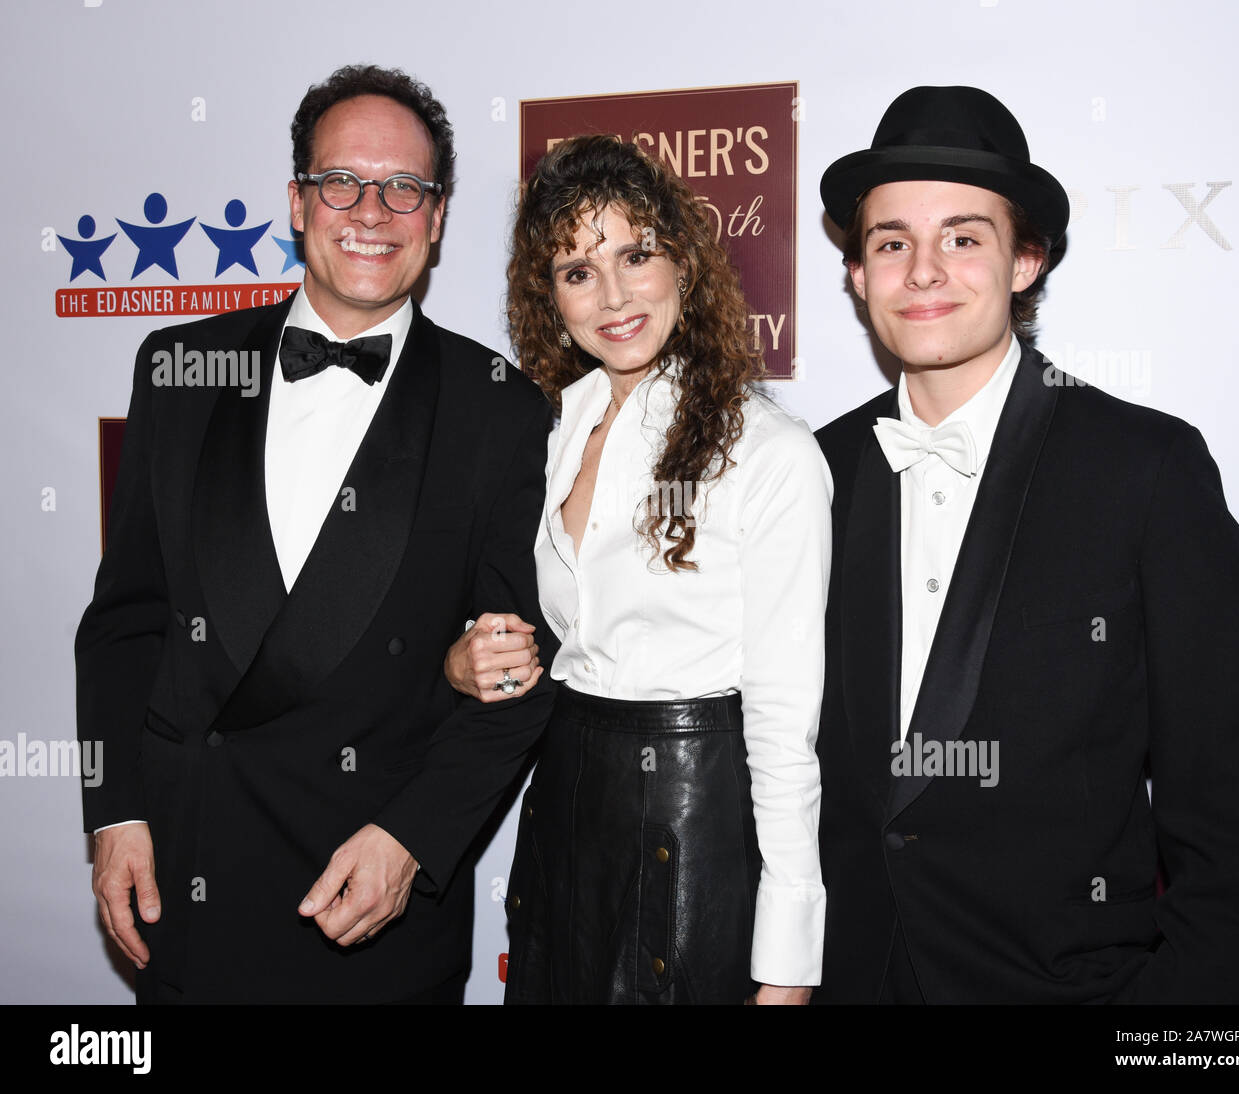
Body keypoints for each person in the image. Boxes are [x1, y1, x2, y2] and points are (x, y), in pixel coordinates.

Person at [74, 64, 554, 1004]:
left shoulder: (500, 409)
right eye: (342, 181)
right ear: (298, 202)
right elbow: (125, 621)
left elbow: (521, 681)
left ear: (438, 216)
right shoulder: (178, 367)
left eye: (404, 187)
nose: (371, 210)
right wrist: (115, 811)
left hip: (373, 906)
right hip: (188, 882)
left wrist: (413, 841)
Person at [814, 85, 1239, 1003]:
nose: (923, 271)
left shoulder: (1145, 467)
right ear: (856, 275)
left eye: (963, 237)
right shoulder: (813, 470)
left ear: (1026, 260)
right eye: (891, 243)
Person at [445, 135, 830, 1004]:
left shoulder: (769, 453)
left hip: (697, 823)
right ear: (549, 296)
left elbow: (782, 720)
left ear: (684, 266)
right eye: (577, 271)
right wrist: (464, 661)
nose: (612, 296)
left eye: (636, 255)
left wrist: (788, 959)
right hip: (563, 807)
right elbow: (555, 640)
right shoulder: (556, 431)